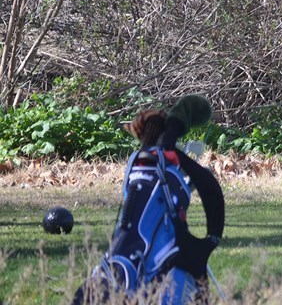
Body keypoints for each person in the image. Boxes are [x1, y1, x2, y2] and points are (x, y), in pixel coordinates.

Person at [72, 95, 225, 304]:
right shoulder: (167, 157)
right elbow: (210, 189)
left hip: (121, 255)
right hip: (164, 256)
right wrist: (211, 240)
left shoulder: (138, 160)